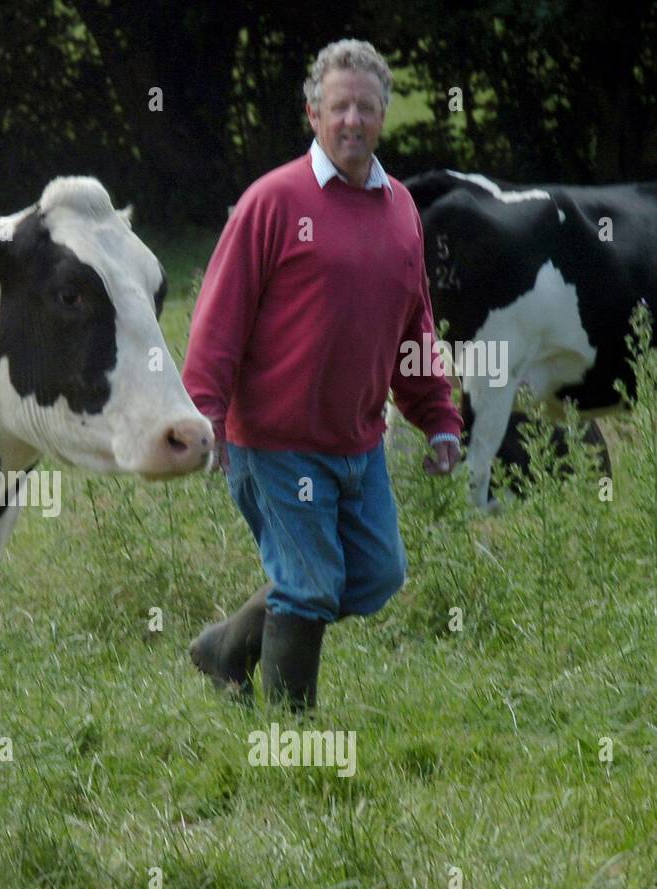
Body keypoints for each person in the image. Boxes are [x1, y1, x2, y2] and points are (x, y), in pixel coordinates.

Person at [184, 38, 462, 712]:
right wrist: (206, 414)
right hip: (275, 440)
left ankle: (225, 648)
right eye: (339, 107)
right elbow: (218, 318)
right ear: (314, 113)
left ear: (383, 117)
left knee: (377, 572)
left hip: (359, 443)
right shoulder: (272, 201)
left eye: (366, 109)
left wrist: (440, 418)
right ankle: (292, 739)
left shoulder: (401, 211)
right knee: (308, 584)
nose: (353, 122)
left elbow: (413, 328)